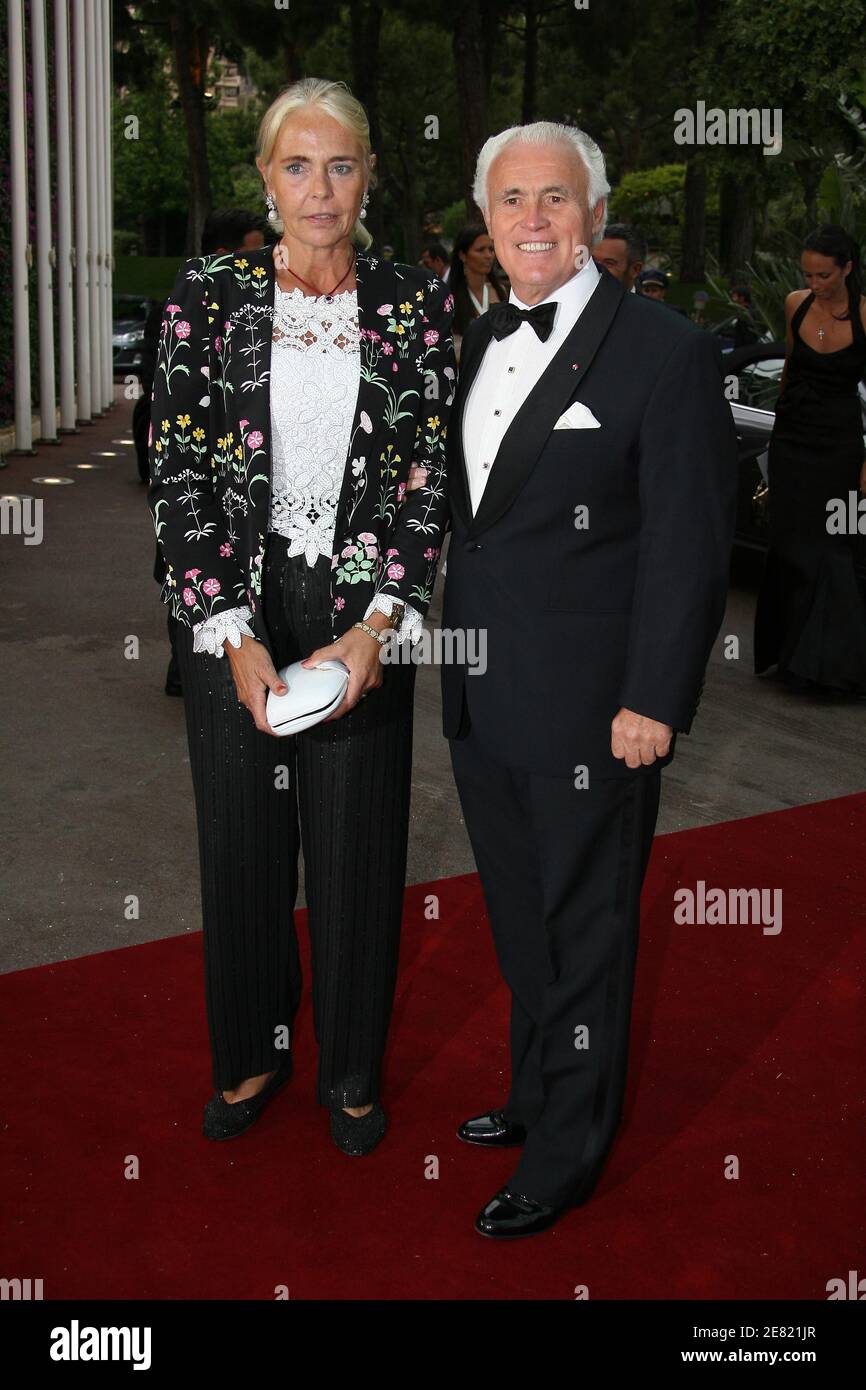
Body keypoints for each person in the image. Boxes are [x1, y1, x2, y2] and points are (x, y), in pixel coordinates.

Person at [440, 120, 736, 1238]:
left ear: (592, 214)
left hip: (595, 710)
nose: (530, 218)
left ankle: (567, 1148)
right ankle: (532, 1092)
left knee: (585, 926)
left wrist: (653, 699)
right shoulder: (472, 342)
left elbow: (686, 546)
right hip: (479, 691)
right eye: (509, 198)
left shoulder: (662, 350)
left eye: (552, 198)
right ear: (484, 218)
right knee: (522, 917)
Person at [147, 78, 454, 1154]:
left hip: (360, 605)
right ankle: (249, 1052)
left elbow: (427, 474)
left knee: (358, 846)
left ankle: (353, 1069)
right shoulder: (206, 292)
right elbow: (179, 469)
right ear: (265, 176)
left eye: (339, 166)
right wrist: (228, 630)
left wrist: (378, 625)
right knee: (239, 841)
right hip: (242, 595)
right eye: (295, 166)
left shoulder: (417, 302)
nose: (318, 191)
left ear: (367, 173)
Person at [138, 209, 268, 698]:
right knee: (184, 575)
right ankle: (187, 667)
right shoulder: (187, 301)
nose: (261, 260)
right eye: (250, 249)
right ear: (221, 253)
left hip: (243, 501)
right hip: (195, 487)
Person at [754, 225, 866, 692]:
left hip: (838, 448)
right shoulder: (795, 304)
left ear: (848, 269)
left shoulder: (864, 314)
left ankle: (828, 668)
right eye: (809, 274)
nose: (816, 283)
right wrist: (775, 440)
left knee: (833, 550)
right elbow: (789, 373)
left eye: (825, 275)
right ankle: (789, 657)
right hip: (791, 446)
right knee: (789, 547)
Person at [449, 224, 506, 360]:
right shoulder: (450, 298)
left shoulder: (500, 291)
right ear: (463, 255)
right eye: (480, 250)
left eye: (491, 249)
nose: (488, 255)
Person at [592, 221, 647, 291]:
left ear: (635, 269)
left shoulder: (645, 302)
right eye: (592, 261)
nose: (596, 268)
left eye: (609, 263)